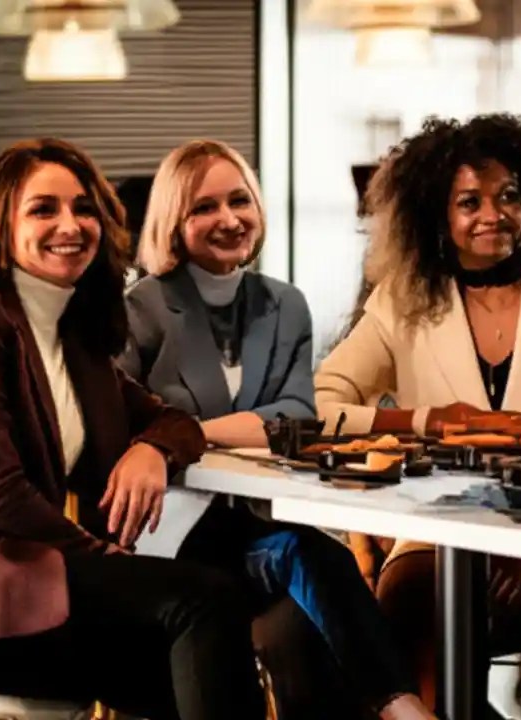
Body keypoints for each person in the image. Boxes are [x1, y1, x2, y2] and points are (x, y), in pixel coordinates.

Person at [0, 138, 268, 720]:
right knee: (201, 602)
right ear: (3, 222)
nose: (70, 225)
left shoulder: (71, 336)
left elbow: (174, 422)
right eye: (43, 209)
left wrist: (152, 448)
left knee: (192, 640)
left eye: (83, 208)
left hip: (19, 582)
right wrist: (104, 557)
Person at [316, 113, 521, 707]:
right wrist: (424, 422)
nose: (493, 214)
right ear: (436, 215)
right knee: (404, 621)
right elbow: (323, 405)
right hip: (437, 539)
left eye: (509, 195)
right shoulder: (402, 305)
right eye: (469, 201)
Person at [120, 139, 430, 720]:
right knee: (311, 559)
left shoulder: (284, 304)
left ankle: (400, 705)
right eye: (204, 207)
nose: (229, 218)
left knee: (314, 581)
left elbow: (296, 417)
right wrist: (207, 433)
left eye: (240, 200)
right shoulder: (143, 307)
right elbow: (125, 422)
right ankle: (401, 707)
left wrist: (193, 432)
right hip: (171, 528)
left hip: (256, 522)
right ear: (173, 220)